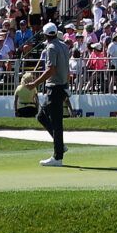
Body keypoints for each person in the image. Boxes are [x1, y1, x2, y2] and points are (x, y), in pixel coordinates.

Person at [37, 20, 73, 167]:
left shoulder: (51, 48)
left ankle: (58, 157)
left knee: (57, 123)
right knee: (41, 116)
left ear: (46, 35)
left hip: (55, 88)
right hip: (61, 86)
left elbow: (51, 69)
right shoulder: (63, 45)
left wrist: (35, 83)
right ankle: (60, 146)